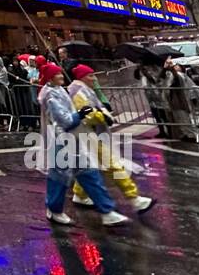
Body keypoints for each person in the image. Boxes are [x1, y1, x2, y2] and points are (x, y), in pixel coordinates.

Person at [38, 64, 130, 227]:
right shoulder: (50, 95)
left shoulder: (59, 89)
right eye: (57, 74)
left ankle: (107, 212)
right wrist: (80, 114)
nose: (61, 75)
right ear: (51, 77)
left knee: (89, 173)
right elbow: (64, 120)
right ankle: (54, 210)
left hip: (72, 139)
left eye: (60, 72)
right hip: (61, 141)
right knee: (59, 178)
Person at [66, 65, 153, 213]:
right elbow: (87, 115)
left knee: (91, 167)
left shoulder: (82, 89)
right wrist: (104, 117)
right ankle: (134, 199)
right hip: (88, 135)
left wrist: (103, 111)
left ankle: (80, 194)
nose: (94, 79)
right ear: (81, 77)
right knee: (113, 166)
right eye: (90, 76)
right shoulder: (78, 92)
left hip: (91, 135)